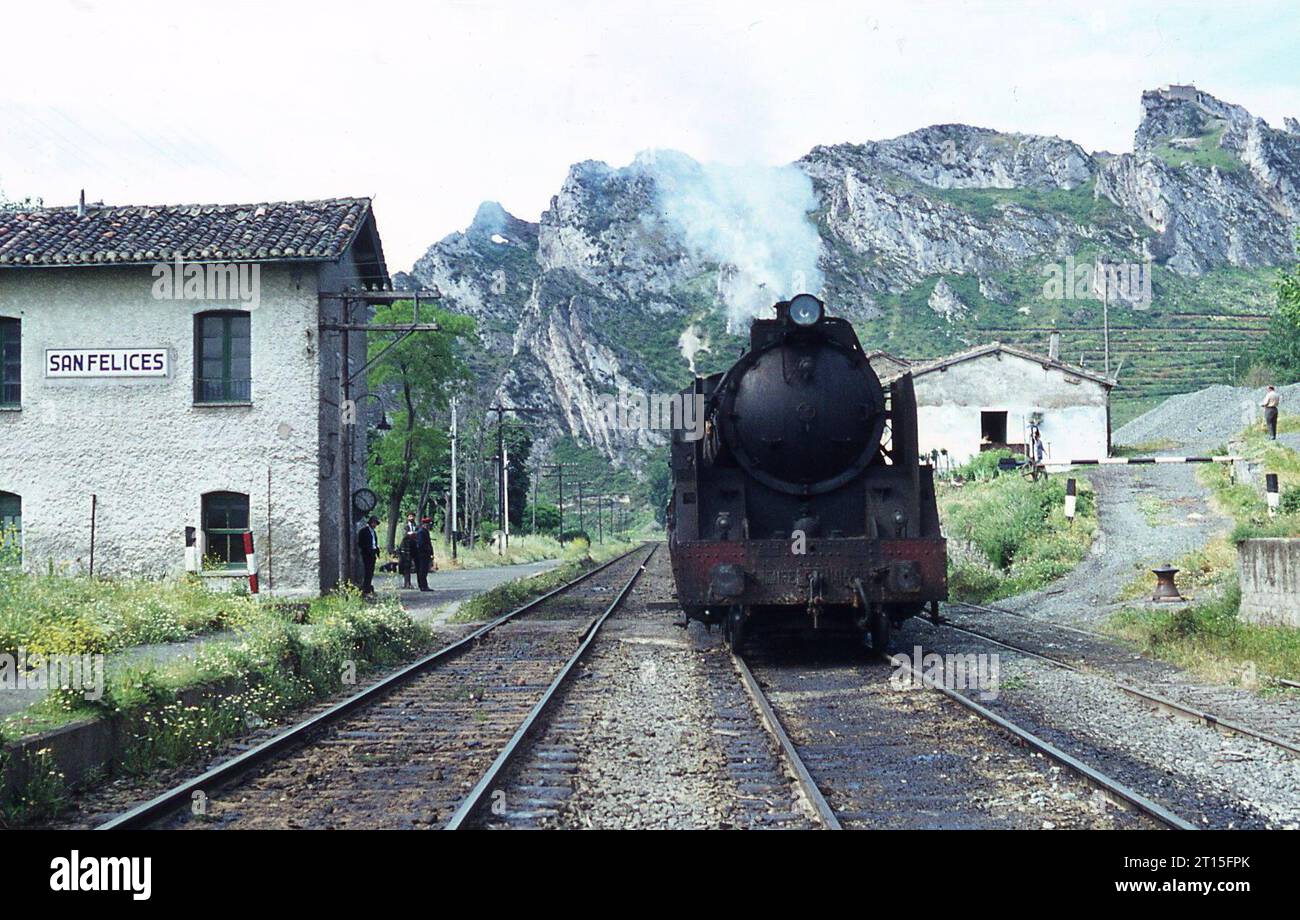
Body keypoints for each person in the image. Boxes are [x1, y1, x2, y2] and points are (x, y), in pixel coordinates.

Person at [357, 516, 380, 595]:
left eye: (376, 523)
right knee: (367, 570)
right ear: (370, 523)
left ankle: (368, 585)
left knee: (371, 571)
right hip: (367, 553)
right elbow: (360, 543)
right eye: (374, 523)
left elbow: (374, 542)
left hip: (373, 553)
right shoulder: (364, 531)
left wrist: (377, 550)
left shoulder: (373, 532)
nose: (375, 525)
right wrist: (366, 549)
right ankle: (366, 587)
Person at [414, 517, 435, 592]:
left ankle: (424, 585)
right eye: (428, 524)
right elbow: (421, 544)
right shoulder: (421, 532)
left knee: (424, 570)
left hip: (426, 554)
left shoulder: (425, 531)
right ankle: (423, 586)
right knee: (422, 570)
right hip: (422, 554)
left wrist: (431, 552)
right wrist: (427, 550)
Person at [398, 522, 416, 589]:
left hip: (413, 548)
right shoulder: (405, 527)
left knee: (410, 567)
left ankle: (408, 583)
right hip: (406, 549)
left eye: (413, 516)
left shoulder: (415, 526)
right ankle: (407, 583)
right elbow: (405, 535)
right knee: (406, 567)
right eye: (410, 516)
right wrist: (410, 534)